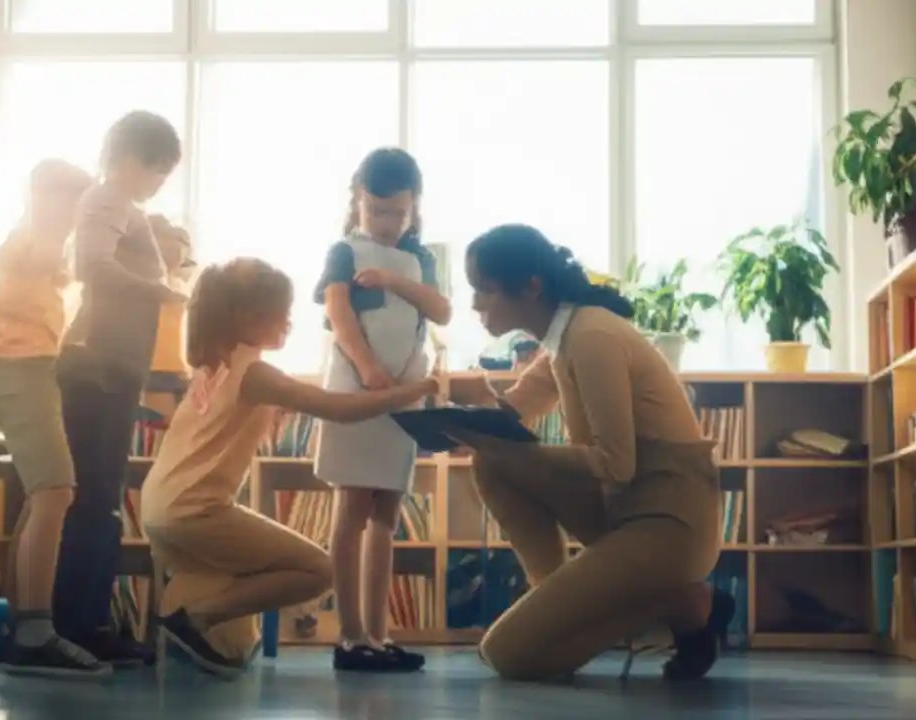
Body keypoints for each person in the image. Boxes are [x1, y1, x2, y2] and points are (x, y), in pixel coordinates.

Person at [450, 224, 734, 682]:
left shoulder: (591, 336)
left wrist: (503, 448)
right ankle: (552, 597)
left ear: (531, 288)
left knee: (507, 656)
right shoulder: (560, 339)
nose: (476, 306)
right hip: (623, 509)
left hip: (668, 523)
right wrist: (455, 421)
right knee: (492, 463)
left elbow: (614, 463)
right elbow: (514, 412)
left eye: (486, 291)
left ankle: (676, 599)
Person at [141, 258, 440, 678]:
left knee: (233, 645)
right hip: (196, 509)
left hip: (159, 508)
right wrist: (414, 391)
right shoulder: (255, 372)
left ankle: (190, 629)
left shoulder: (212, 366)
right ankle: (196, 619)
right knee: (318, 570)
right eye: (282, 313)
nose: (289, 323)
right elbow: (338, 409)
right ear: (249, 318)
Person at [313, 147, 451, 672]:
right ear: (358, 202)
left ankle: (379, 632)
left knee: (387, 513)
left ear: (415, 207)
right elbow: (338, 313)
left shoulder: (422, 260)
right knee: (352, 510)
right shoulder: (344, 252)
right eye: (376, 211)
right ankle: (350, 635)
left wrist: (394, 281)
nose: (387, 222)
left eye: (397, 212)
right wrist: (368, 368)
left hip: (405, 393)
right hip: (356, 386)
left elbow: (440, 309)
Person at [54, 110, 183, 665]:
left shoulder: (122, 207)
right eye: (158, 172)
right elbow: (93, 266)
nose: (158, 185)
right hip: (99, 363)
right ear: (134, 159)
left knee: (100, 495)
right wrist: (161, 292)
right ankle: (81, 625)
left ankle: (88, 622)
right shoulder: (107, 199)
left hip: (115, 364)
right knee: (94, 495)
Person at [0, 159, 106, 677]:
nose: (74, 214)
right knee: (54, 491)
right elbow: (45, 256)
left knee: (42, 493)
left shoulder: (46, 249)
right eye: (69, 201)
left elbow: (64, 276)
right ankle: (33, 631)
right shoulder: (30, 239)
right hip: (14, 368)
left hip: (22, 368)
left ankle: (20, 628)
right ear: (43, 198)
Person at [148, 214, 196, 379]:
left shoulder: (180, 284)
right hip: (154, 367)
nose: (174, 258)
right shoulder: (141, 282)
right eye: (169, 252)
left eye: (179, 254)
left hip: (178, 367)